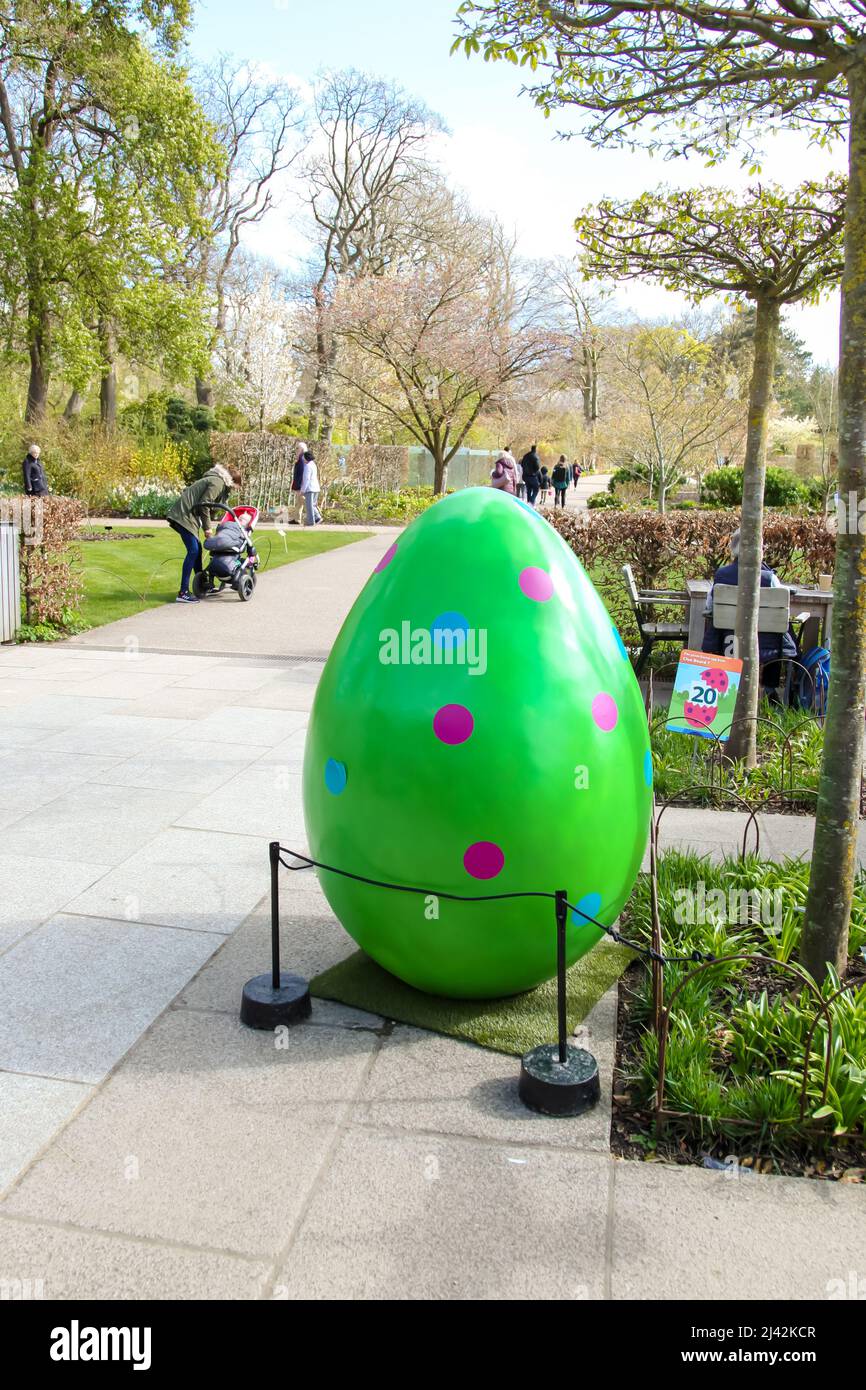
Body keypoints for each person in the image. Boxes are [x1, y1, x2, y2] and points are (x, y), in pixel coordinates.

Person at [702, 528, 796, 690]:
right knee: (783, 632)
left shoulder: (721, 575)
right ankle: (769, 690)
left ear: (733, 548)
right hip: (767, 646)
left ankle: (725, 690)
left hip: (728, 642)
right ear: (759, 549)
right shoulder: (769, 578)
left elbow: (709, 608)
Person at [166, 461, 242, 603]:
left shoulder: (215, 479)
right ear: (232, 481)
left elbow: (207, 505)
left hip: (185, 514)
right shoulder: (218, 483)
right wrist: (207, 528)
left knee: (197, 549)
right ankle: (183, 592)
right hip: (184, 515)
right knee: (193, 551)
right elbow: (204, 505)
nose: (234, 490)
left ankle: (202, 583)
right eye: (235, 486)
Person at [300, 449, 322, 525]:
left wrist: (303, 490)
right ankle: (318, 517)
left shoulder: (307, 467)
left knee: (309, 506)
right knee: (312, 505)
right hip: (316, 487)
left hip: (310, 488)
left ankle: (311, 521)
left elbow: (306, 479)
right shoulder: (313, 464)